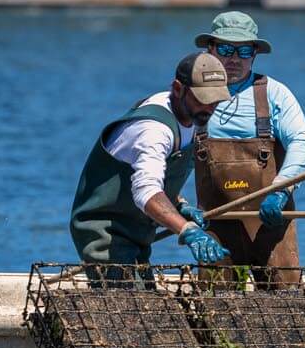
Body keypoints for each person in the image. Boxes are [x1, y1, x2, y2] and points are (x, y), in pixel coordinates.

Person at [70, 52, 234, 286]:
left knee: (145, 296)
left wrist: (179, 205)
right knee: (127, 309)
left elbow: (152, 177)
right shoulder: (153, 130)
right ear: (178, 88)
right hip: (105, 232)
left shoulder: (191, 117)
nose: (209, 107)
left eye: (215, 100)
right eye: (202, 98)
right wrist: (186, 229)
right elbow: (146, 192)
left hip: (138, 231)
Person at [193, 11, 305, 288]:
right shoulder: (193, 96)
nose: (234, 59)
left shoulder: (274, 93)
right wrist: (180, 207)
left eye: (244, 50)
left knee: (285, 303)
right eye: (225, 49)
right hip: (216, 223)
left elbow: (303, 143)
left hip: (270, 220)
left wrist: (281, 190)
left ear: (255, 54)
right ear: (209, 50)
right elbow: (167, 156)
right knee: (214, 302)